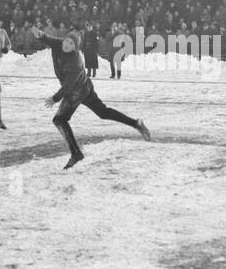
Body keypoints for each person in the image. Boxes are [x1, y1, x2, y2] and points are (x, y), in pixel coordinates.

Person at [33, 24, 150, 169]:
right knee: (103, 112)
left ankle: (76, 153)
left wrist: (55, 98)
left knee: (59, 120)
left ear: (75, 48)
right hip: (85, 86)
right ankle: (136, 123)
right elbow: (48, 39)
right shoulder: (58, 44)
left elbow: (68, 85)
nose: (67, 45)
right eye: (67, 41)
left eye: (71, 44)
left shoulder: (75, 60)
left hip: (77, 90)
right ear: (63, 40)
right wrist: (41, 35)